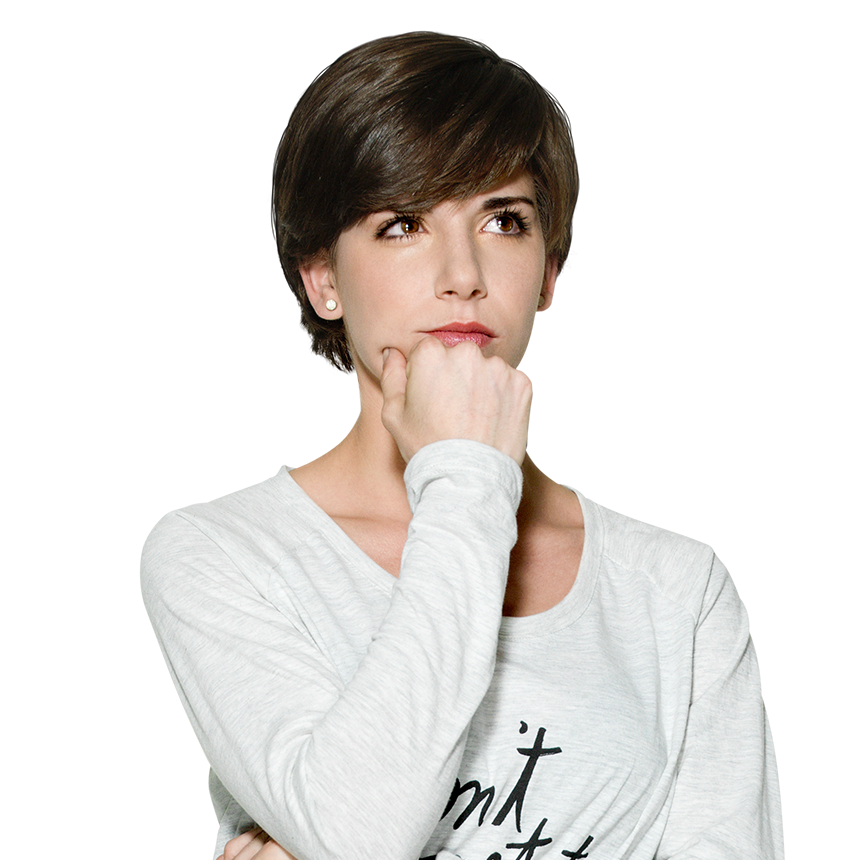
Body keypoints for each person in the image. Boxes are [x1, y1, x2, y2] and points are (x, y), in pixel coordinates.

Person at [141, 32, 784, 860]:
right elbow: (359, 832)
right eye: (403, 223)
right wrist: (467, 479)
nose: (462, 273)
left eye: (504, 220)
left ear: (547, 271)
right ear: (323, 278)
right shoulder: (225, 558)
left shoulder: (675, 594)